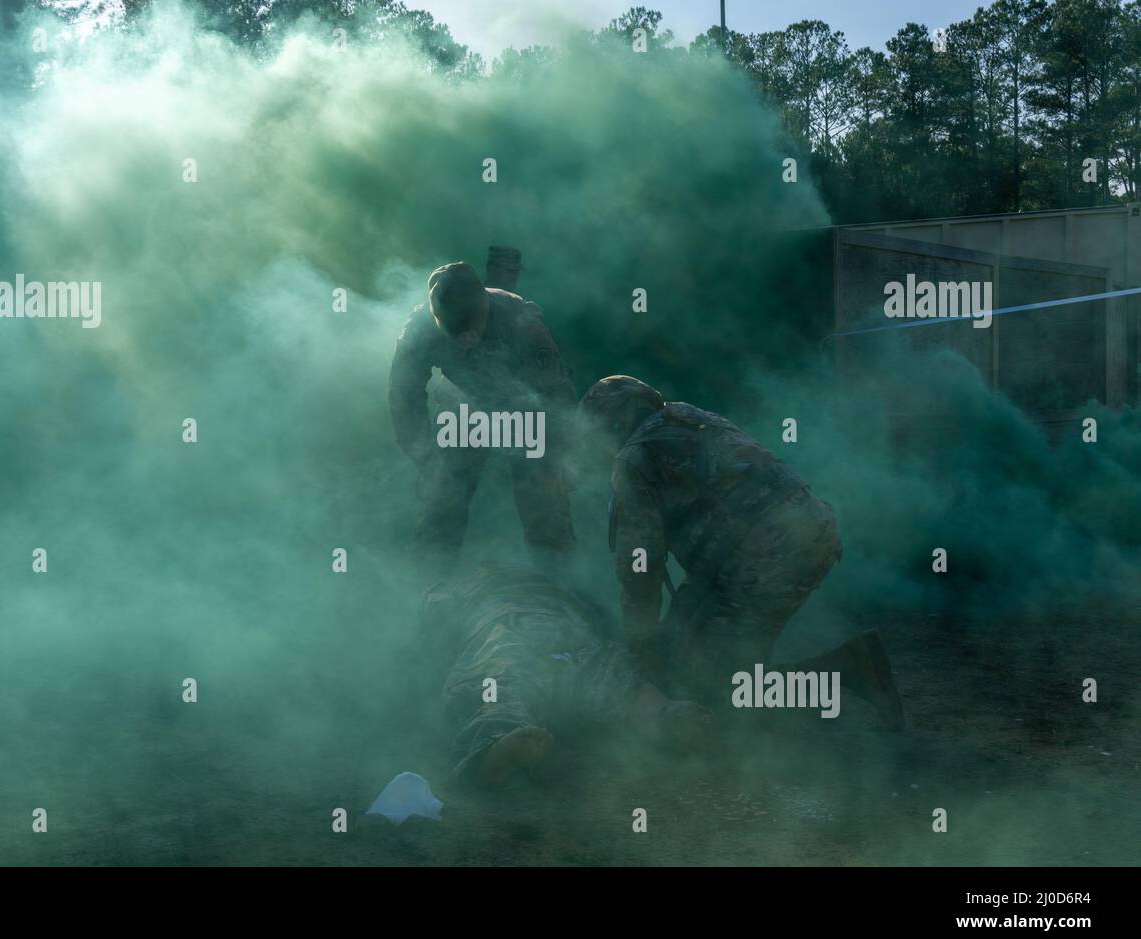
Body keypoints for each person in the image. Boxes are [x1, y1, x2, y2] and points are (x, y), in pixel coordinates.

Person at [577, 374, 905, 728]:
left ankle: (847, 674)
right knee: (682, 649)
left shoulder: (633, 460)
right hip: (802, 534)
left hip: (761, 557)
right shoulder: (692, 417)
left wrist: (639, 651)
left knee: (719, 693)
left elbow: (640, 569)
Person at [420, 564, 715, 788]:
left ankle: (497, 742)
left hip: (508, 627)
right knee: (617, 676)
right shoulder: (560, 585)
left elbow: (438, 637)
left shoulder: (456, 586)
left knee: (501, 682)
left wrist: (446, 664)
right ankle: (662, 713)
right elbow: (607, 630)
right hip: (575, 636)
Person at [388, 260, 577, 581]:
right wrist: (425, 457)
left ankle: (560, 581)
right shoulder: (417, 333)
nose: (468, 338)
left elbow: (557, 393)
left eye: (472, 326)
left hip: (524, 409)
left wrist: (563, 453)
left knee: (544, 499)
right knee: (442, 496)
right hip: (464, 407)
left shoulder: (521, 321)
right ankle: (428, 587)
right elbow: (404, 399)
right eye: (455, 330)